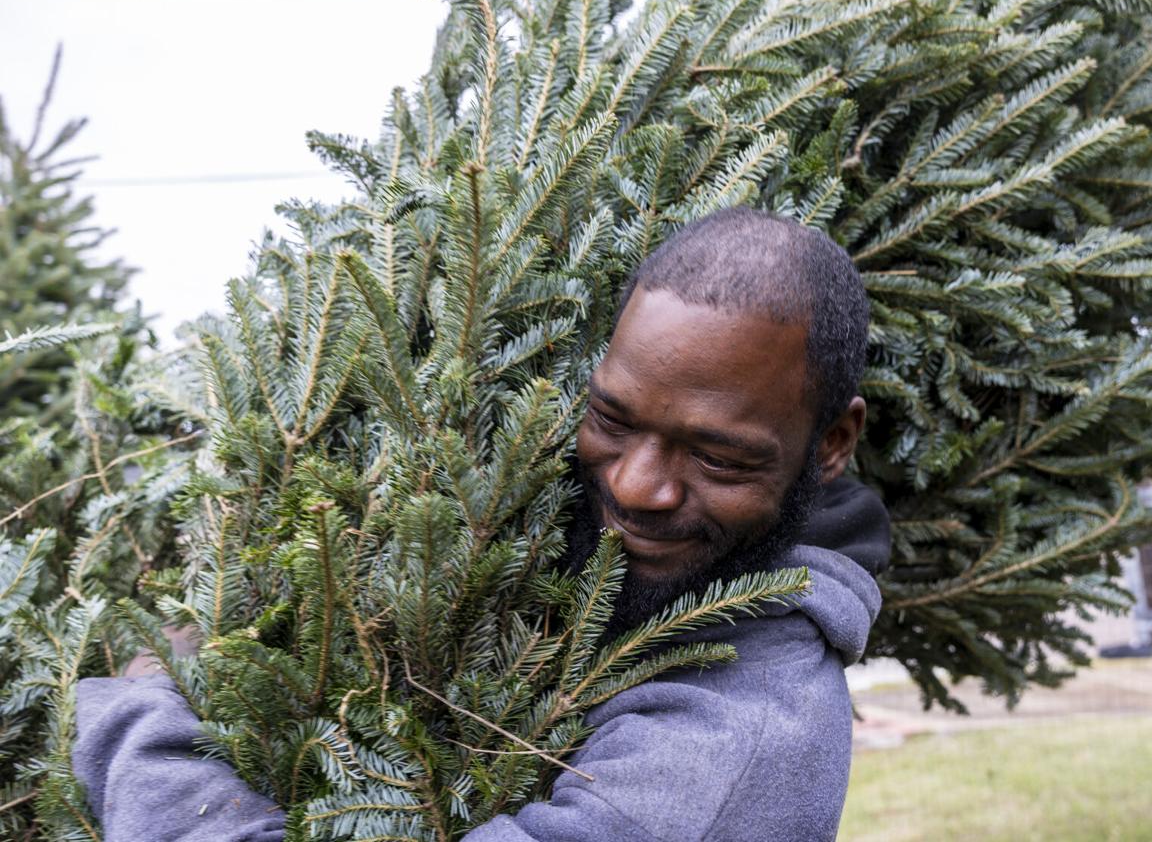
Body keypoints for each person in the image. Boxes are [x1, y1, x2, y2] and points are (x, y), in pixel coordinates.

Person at [72, 206, 891, 841]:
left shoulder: (731, 757)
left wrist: (147, 710)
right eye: (611, 418)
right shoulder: (550, 554)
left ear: (831, 444)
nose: (636, 489)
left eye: (716, 458)